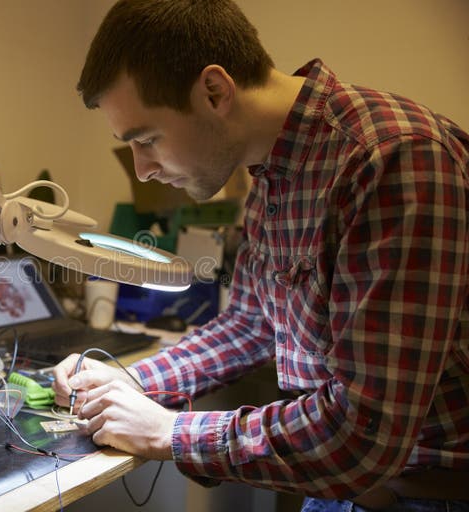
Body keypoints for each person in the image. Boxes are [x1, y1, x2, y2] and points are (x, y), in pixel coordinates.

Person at [51, 1, 469, 510]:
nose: (142, 171)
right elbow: (254, 323)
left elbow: (365, 431)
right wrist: (134, 378)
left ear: (214, 92)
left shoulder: (393, 160)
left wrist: (172, 432)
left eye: (148, 139)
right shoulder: (273, 171)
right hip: (346, 491)